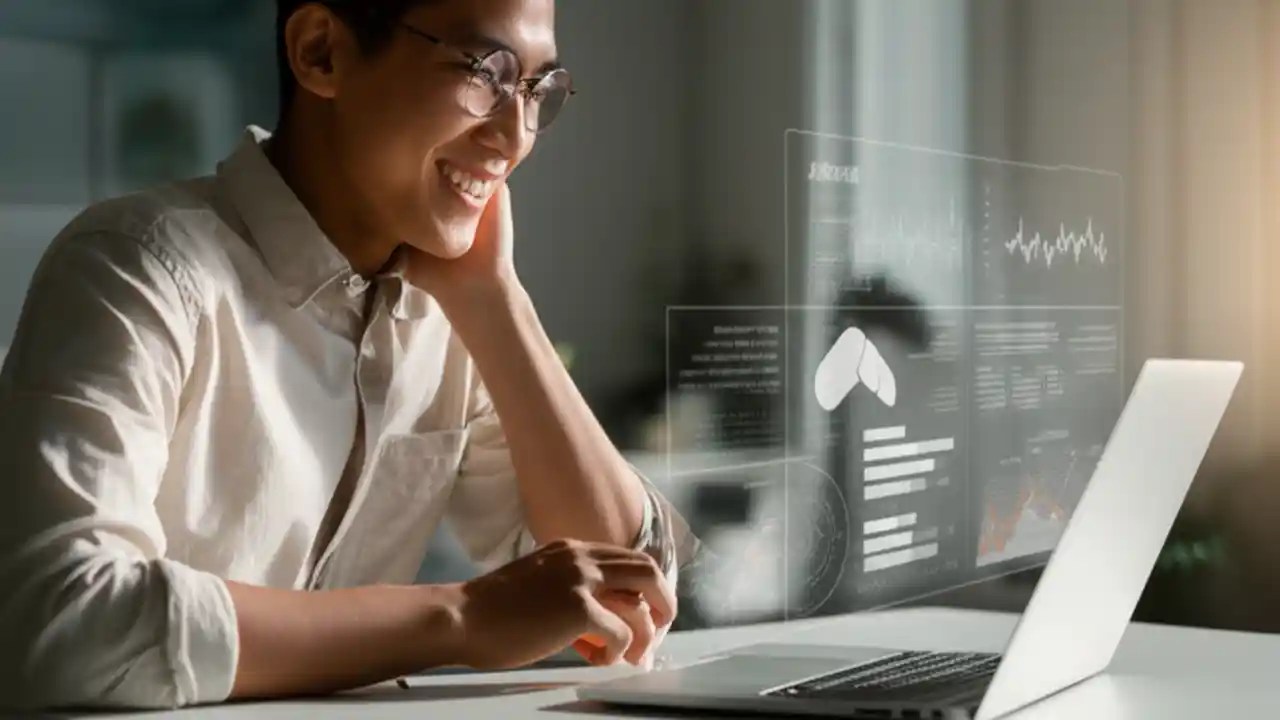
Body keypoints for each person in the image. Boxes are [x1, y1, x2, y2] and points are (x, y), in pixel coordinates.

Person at [0, 0, 691, 710]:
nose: (514, 137)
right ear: (321, 53)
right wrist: (459, 619)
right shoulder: (136, 268)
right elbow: (61, 620)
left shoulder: (450, 308)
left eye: (538, 89)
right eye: (484, 71)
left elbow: (632, 596)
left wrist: (498, 304)